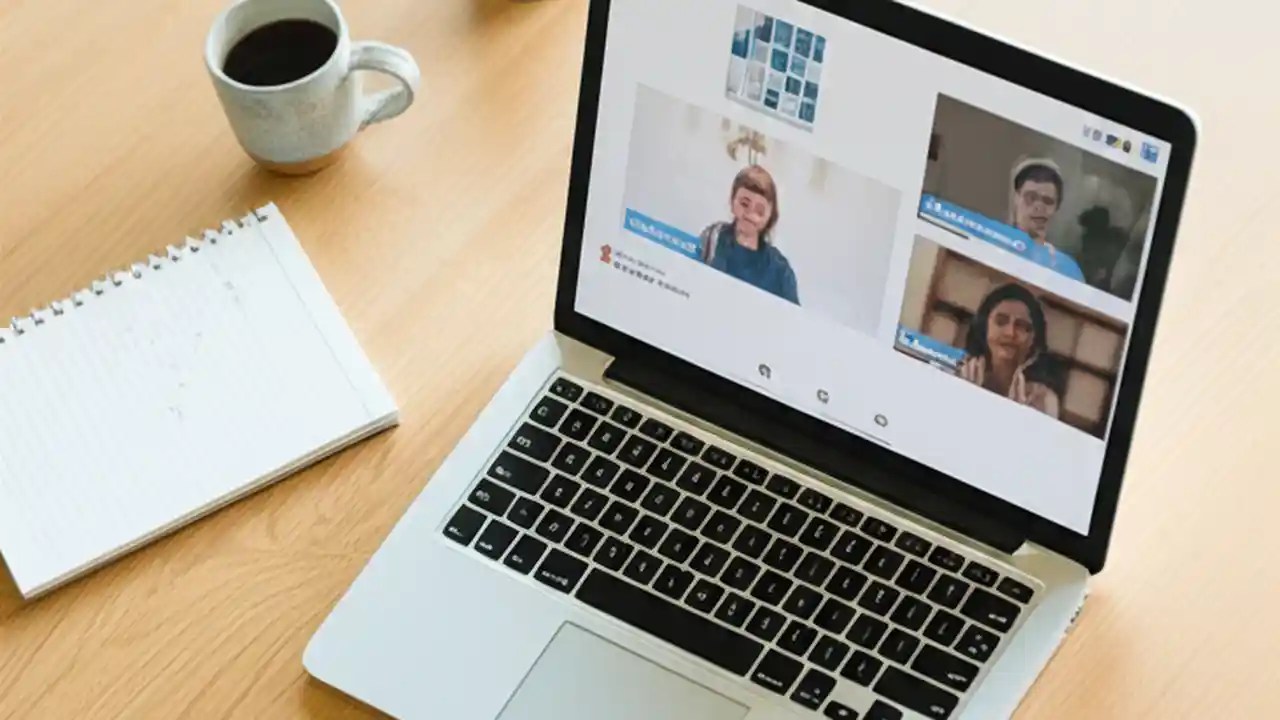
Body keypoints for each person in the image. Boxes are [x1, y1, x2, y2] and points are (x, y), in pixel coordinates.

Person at [956, 283, 1061, 418]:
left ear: (1034, 339)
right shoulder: (961, 372)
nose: (1010, 333)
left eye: (1022, 326)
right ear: (984, 327)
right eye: (1001, 321)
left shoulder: (1043, 399)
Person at [699, 165, 800, 304]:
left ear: (770, 216)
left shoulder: (781, 271)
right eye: (744, 204)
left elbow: (793, 319)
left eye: (760, 211)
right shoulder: (714, 236)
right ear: (732, 201)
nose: (750, 215)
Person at [1008, 158, 1085, 282]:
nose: (1039, 207)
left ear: (1056, 208)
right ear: (1016, 198)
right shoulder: (992, 243)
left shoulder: (1068, 269)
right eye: (1031, 197)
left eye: (1048, 201)